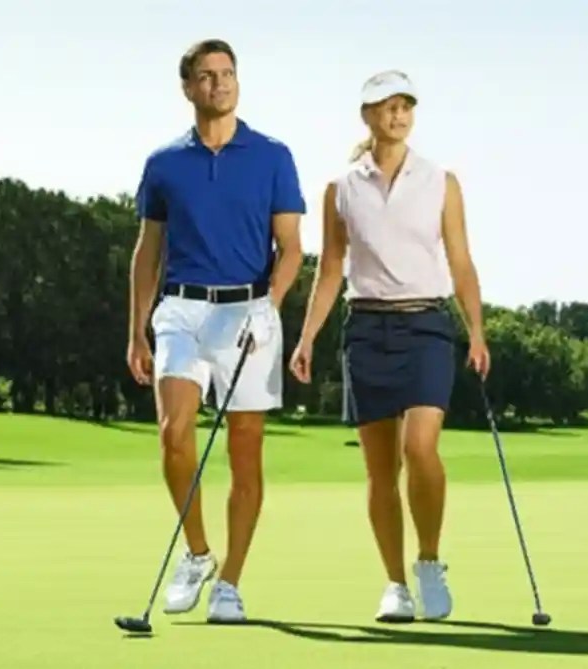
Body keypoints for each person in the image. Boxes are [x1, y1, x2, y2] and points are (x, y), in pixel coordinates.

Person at [289, 69, 489, 622]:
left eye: (406, 106)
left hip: (427, 324)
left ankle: (429, 561)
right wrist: (306, 337)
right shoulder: (341, 189)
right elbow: (330, 271)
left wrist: (476, 329)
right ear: (367, 116)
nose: (398, 115)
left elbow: (461, 260)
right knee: (380, 471)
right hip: (366, 328)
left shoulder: (440, 181)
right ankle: (395, 584)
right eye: (387, 106)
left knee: (420, 448)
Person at [126, 38, 305, 623]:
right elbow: (147, 250)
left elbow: (291, 248)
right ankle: (197, 553)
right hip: (180, 309)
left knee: (245, 450)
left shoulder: (273, 155)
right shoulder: (163, 163)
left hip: (248, 311)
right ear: (187, 88)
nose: (219, 85)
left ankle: (231, 581)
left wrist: (269, 307)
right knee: (174, 434)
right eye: (206, 76)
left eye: (227, 74)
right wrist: (136, 331)